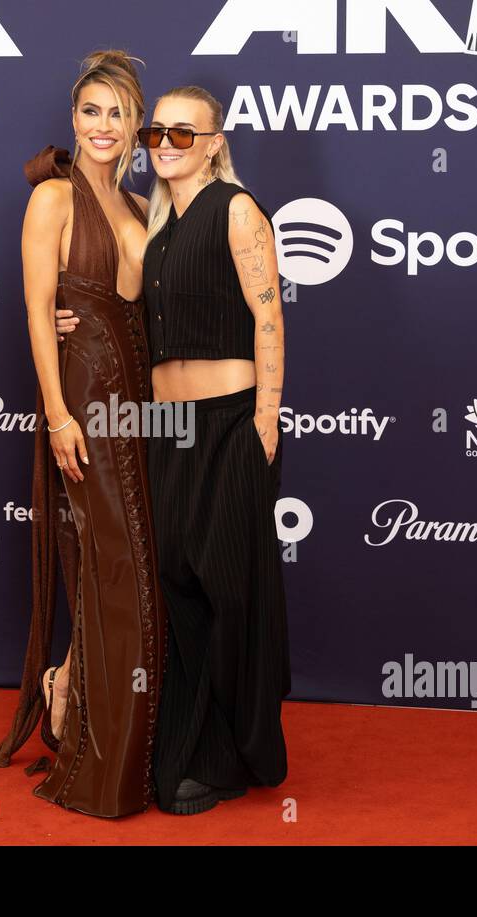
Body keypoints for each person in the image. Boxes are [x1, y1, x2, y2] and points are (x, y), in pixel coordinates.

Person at [0, 51, 166, 820]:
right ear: (73, 119)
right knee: (110, 563)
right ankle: (91, 735)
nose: (103, 126)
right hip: (84, 399)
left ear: (136, 122)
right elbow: (38, 311)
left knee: (136, 561)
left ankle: (70, 681)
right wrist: (56, 412)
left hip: (142, 402)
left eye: (117, 113)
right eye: (91, 111)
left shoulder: (143, 205)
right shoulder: (53, 197)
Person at [56, 86, 290, 815]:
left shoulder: (238, 210)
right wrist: (75, 315)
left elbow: (269, 316)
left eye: (185, 134)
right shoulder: (154, 229)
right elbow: (120, 306)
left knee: (229, 589)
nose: (165, 143)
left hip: (227, 422)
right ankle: (189, 748)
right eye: (157, 131)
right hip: (168, 431)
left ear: (215, 143)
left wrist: (265, 420)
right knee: (179, 587)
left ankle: (236, 750)